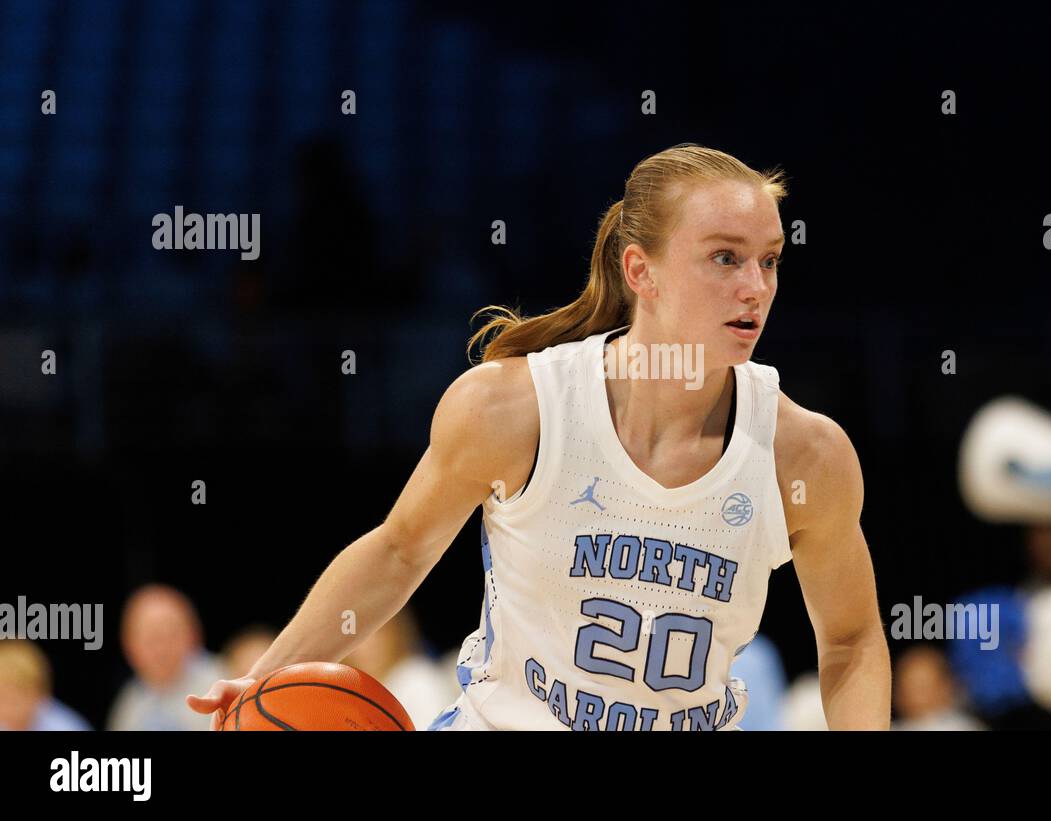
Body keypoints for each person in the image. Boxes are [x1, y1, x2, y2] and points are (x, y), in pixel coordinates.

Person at [189, 143, 890, 731]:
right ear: (640, 270)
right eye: (725, 257)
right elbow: (398, 551)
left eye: (769, 260)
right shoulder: (515, 408)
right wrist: (260, 677)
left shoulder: (805, 455)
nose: (755, 287)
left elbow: (853, 639)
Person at [109, 585, 225, 731]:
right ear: (129, 645)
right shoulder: (130, 702)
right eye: (151, 638)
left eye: (170, 634)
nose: (161, 649)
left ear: (194, 634)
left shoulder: (224, 685)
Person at [0, 639, 92, 731]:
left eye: (20, 691)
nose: (11, 701)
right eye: (3, 695)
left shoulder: (66, 725)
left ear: (42, 693)